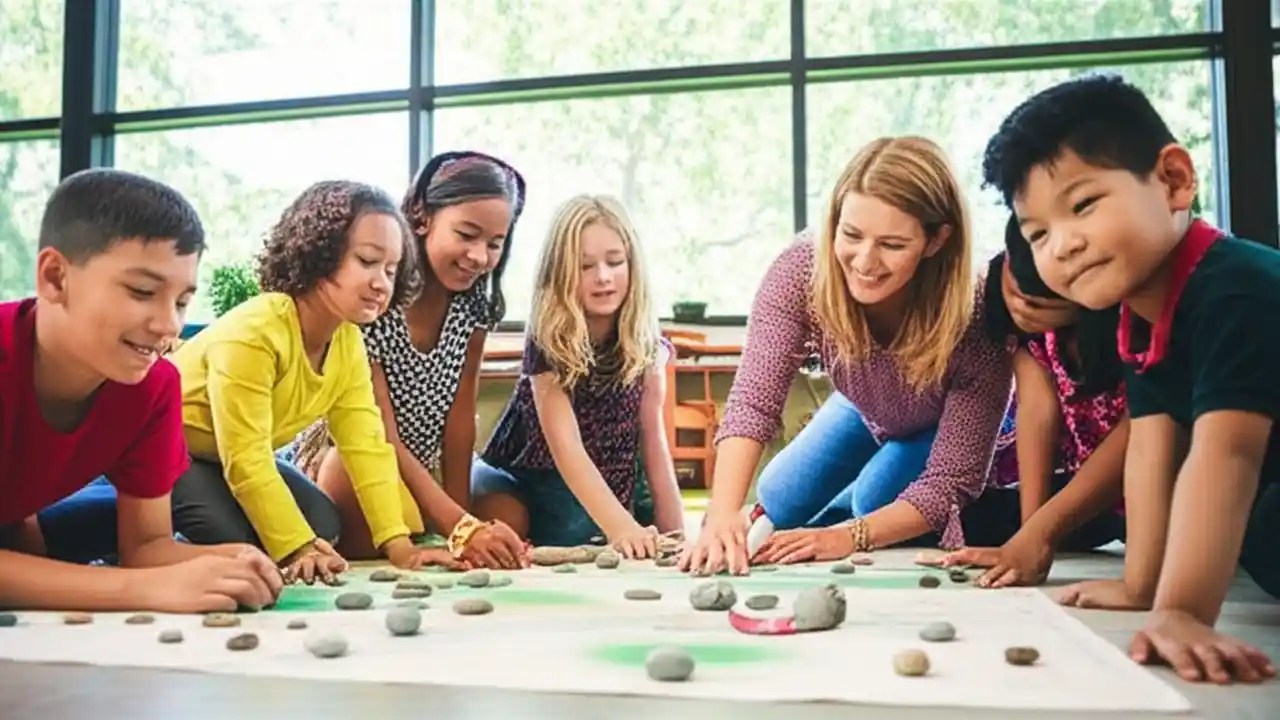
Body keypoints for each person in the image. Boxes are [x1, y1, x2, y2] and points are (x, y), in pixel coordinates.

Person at [982, 72, 1279, 684]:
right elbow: (1149, 450)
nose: (1060, 245)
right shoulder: (1143, 321)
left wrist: (1183, 613)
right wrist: (1142, 585)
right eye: (1038, 233)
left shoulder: (1234, 288)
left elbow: (1227, 456)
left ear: (1173, 179)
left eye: (1083, 205)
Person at [679, 136, 1014, 575]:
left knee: (874, 499)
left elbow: (949, 481)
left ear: (936, 239)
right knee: (779, 493)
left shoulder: (978, 314)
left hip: (939, 422)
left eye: (892, 244)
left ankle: (842, 515)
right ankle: (830, 513)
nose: (865, 261)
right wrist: (721, 515)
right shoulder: (801, 270)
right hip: (866, 405)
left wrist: (843, 537)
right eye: (851, 235)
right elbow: (753, 401)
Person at [0, 168, 281, 612]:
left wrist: (228, 561)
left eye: (183, 301)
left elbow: (147, 545)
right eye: (142, 291)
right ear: (55, 277)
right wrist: (142, 589)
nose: (169, 324)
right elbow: (141, 577)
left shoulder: (153, 387)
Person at [171, 180, 452, 582]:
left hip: (221, 457)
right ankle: (150, 543)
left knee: (323, 528)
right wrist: (295, 548)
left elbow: (366, 446)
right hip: (167, 448)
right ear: (320, 253)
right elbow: (246, 459)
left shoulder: (348, 341)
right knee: (248, 540)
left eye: (391, 270)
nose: (382, 282)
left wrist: (401, 547)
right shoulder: (256, 331)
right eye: (368, 261)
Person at [302, 151, 530, 569]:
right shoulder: (376, 299)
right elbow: (381, 435)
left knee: (511, 513)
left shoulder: (473, 305)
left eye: (494, 243)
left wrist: (462, 525)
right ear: (423, 218)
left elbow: (461, 420)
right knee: (353, 484)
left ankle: (424, 528)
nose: (479, 256)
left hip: (421, 471)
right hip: (358, 461)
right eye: (466, 234)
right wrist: (459, 527)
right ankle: (404, 533)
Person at [472, 194, 685, 557]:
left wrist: (679, 536)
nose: (603, 277)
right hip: (530, 475)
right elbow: (566, 449)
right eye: (585, 266)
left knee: (643, 523)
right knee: (559, 528)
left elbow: (654, 446)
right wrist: (621, 529)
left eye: (615, 262)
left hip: (617, 474)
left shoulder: (647, 344)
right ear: (561, 273)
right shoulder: (548, 340)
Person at [931, 214, 1128, 587]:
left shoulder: (1128, 323)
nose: (1023, 309)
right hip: (1085, 491)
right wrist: (1029, 536)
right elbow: (1037, 412)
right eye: (1017, 292)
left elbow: (1138, 441)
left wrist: (1041, 534)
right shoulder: (1024, 330)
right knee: (966, 518)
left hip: (1149, 485)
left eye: (1040, 304)